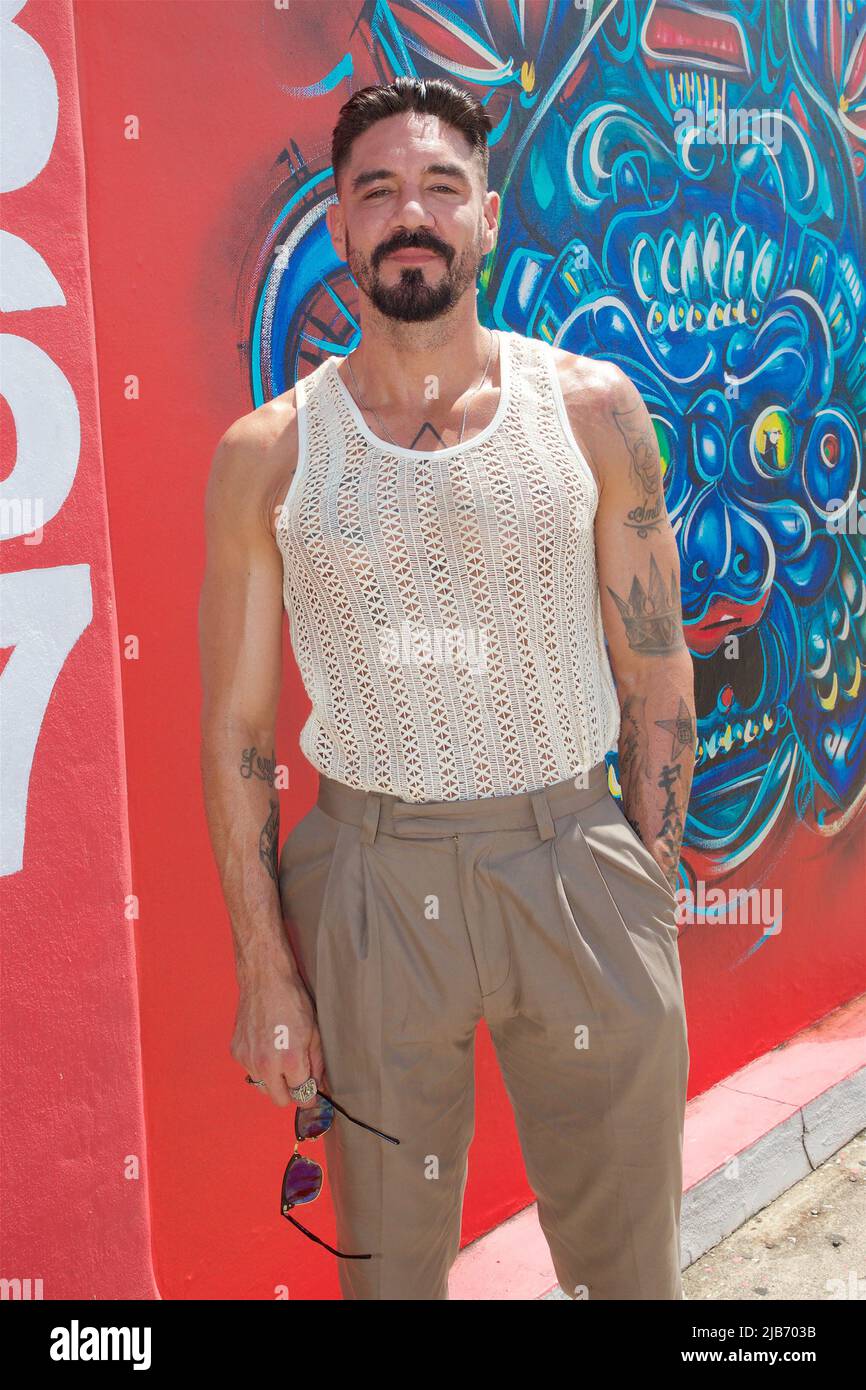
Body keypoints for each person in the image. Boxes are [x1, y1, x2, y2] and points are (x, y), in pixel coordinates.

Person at [198, 76, 695, 1300]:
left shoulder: (590, 413)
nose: (407, 213)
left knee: (627, 1271)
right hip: (367, 883)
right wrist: (267, 968)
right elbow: (238, 731)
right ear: (340, 228)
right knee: (390, 1273)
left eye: (438, 187)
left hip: (573, 857)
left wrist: (641, 878)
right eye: (375, 190)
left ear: (483, 218)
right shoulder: (267, 457)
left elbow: (655, 663)